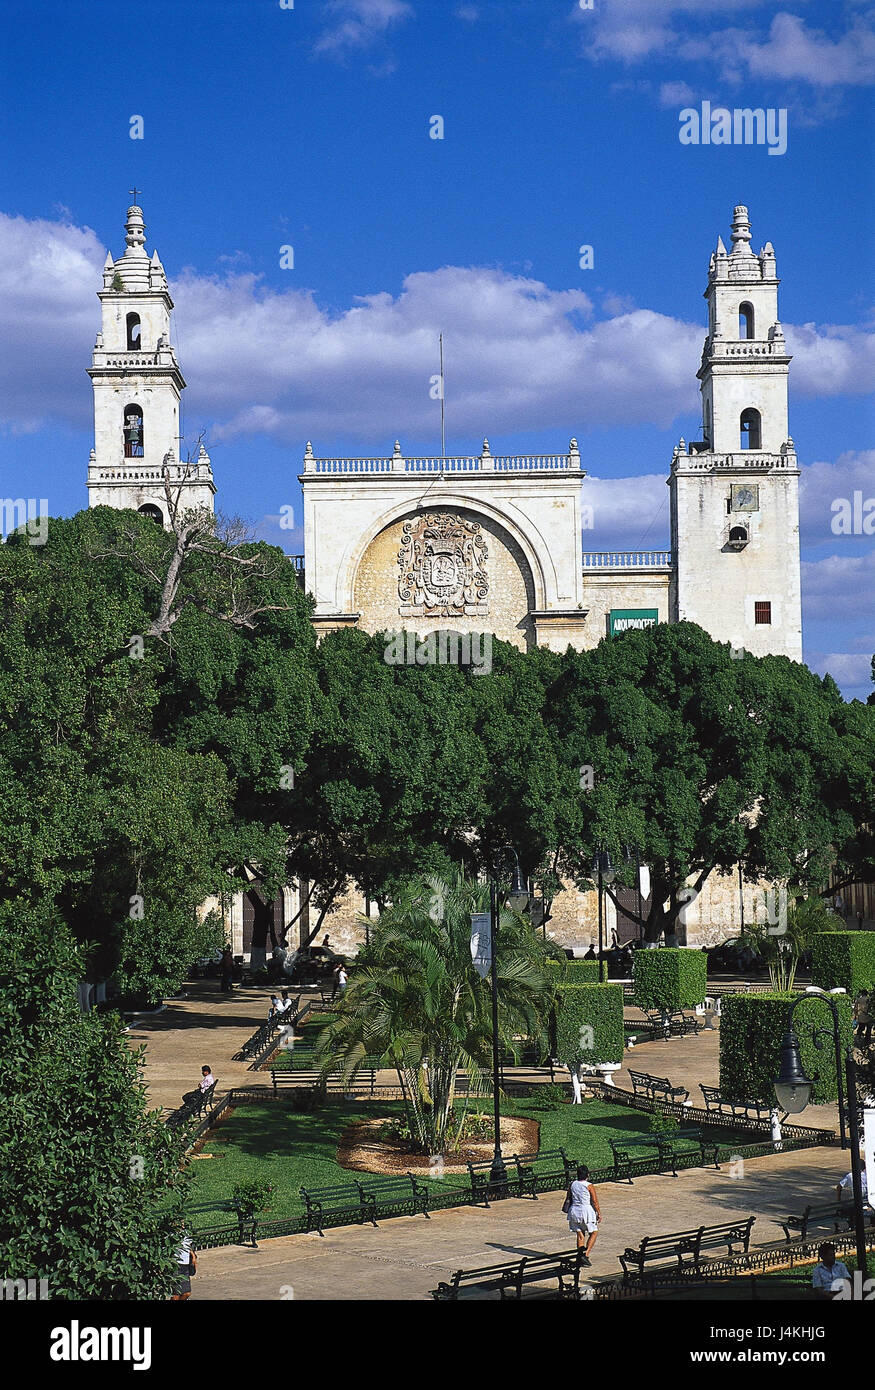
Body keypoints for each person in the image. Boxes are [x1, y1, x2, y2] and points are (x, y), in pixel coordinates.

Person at [562, 1163, 601, 1264]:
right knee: (594, 1232)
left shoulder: (572, 1184)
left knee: (580, 1235)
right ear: (587, 1175)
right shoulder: (589, 1186)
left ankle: (579, 1256)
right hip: (586, 1211)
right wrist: (599, 1213)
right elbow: (595, 1201)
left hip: (574, 1211)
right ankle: (585, 1254)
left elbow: (569, 1197)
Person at [171, 1232, 197, 1301]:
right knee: (176, 1294)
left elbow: (188, 1245)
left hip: (185, 1265)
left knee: (187, 1293)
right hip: (176, 1264)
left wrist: (193, 1256)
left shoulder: (186, 1232)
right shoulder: (172, 1233)